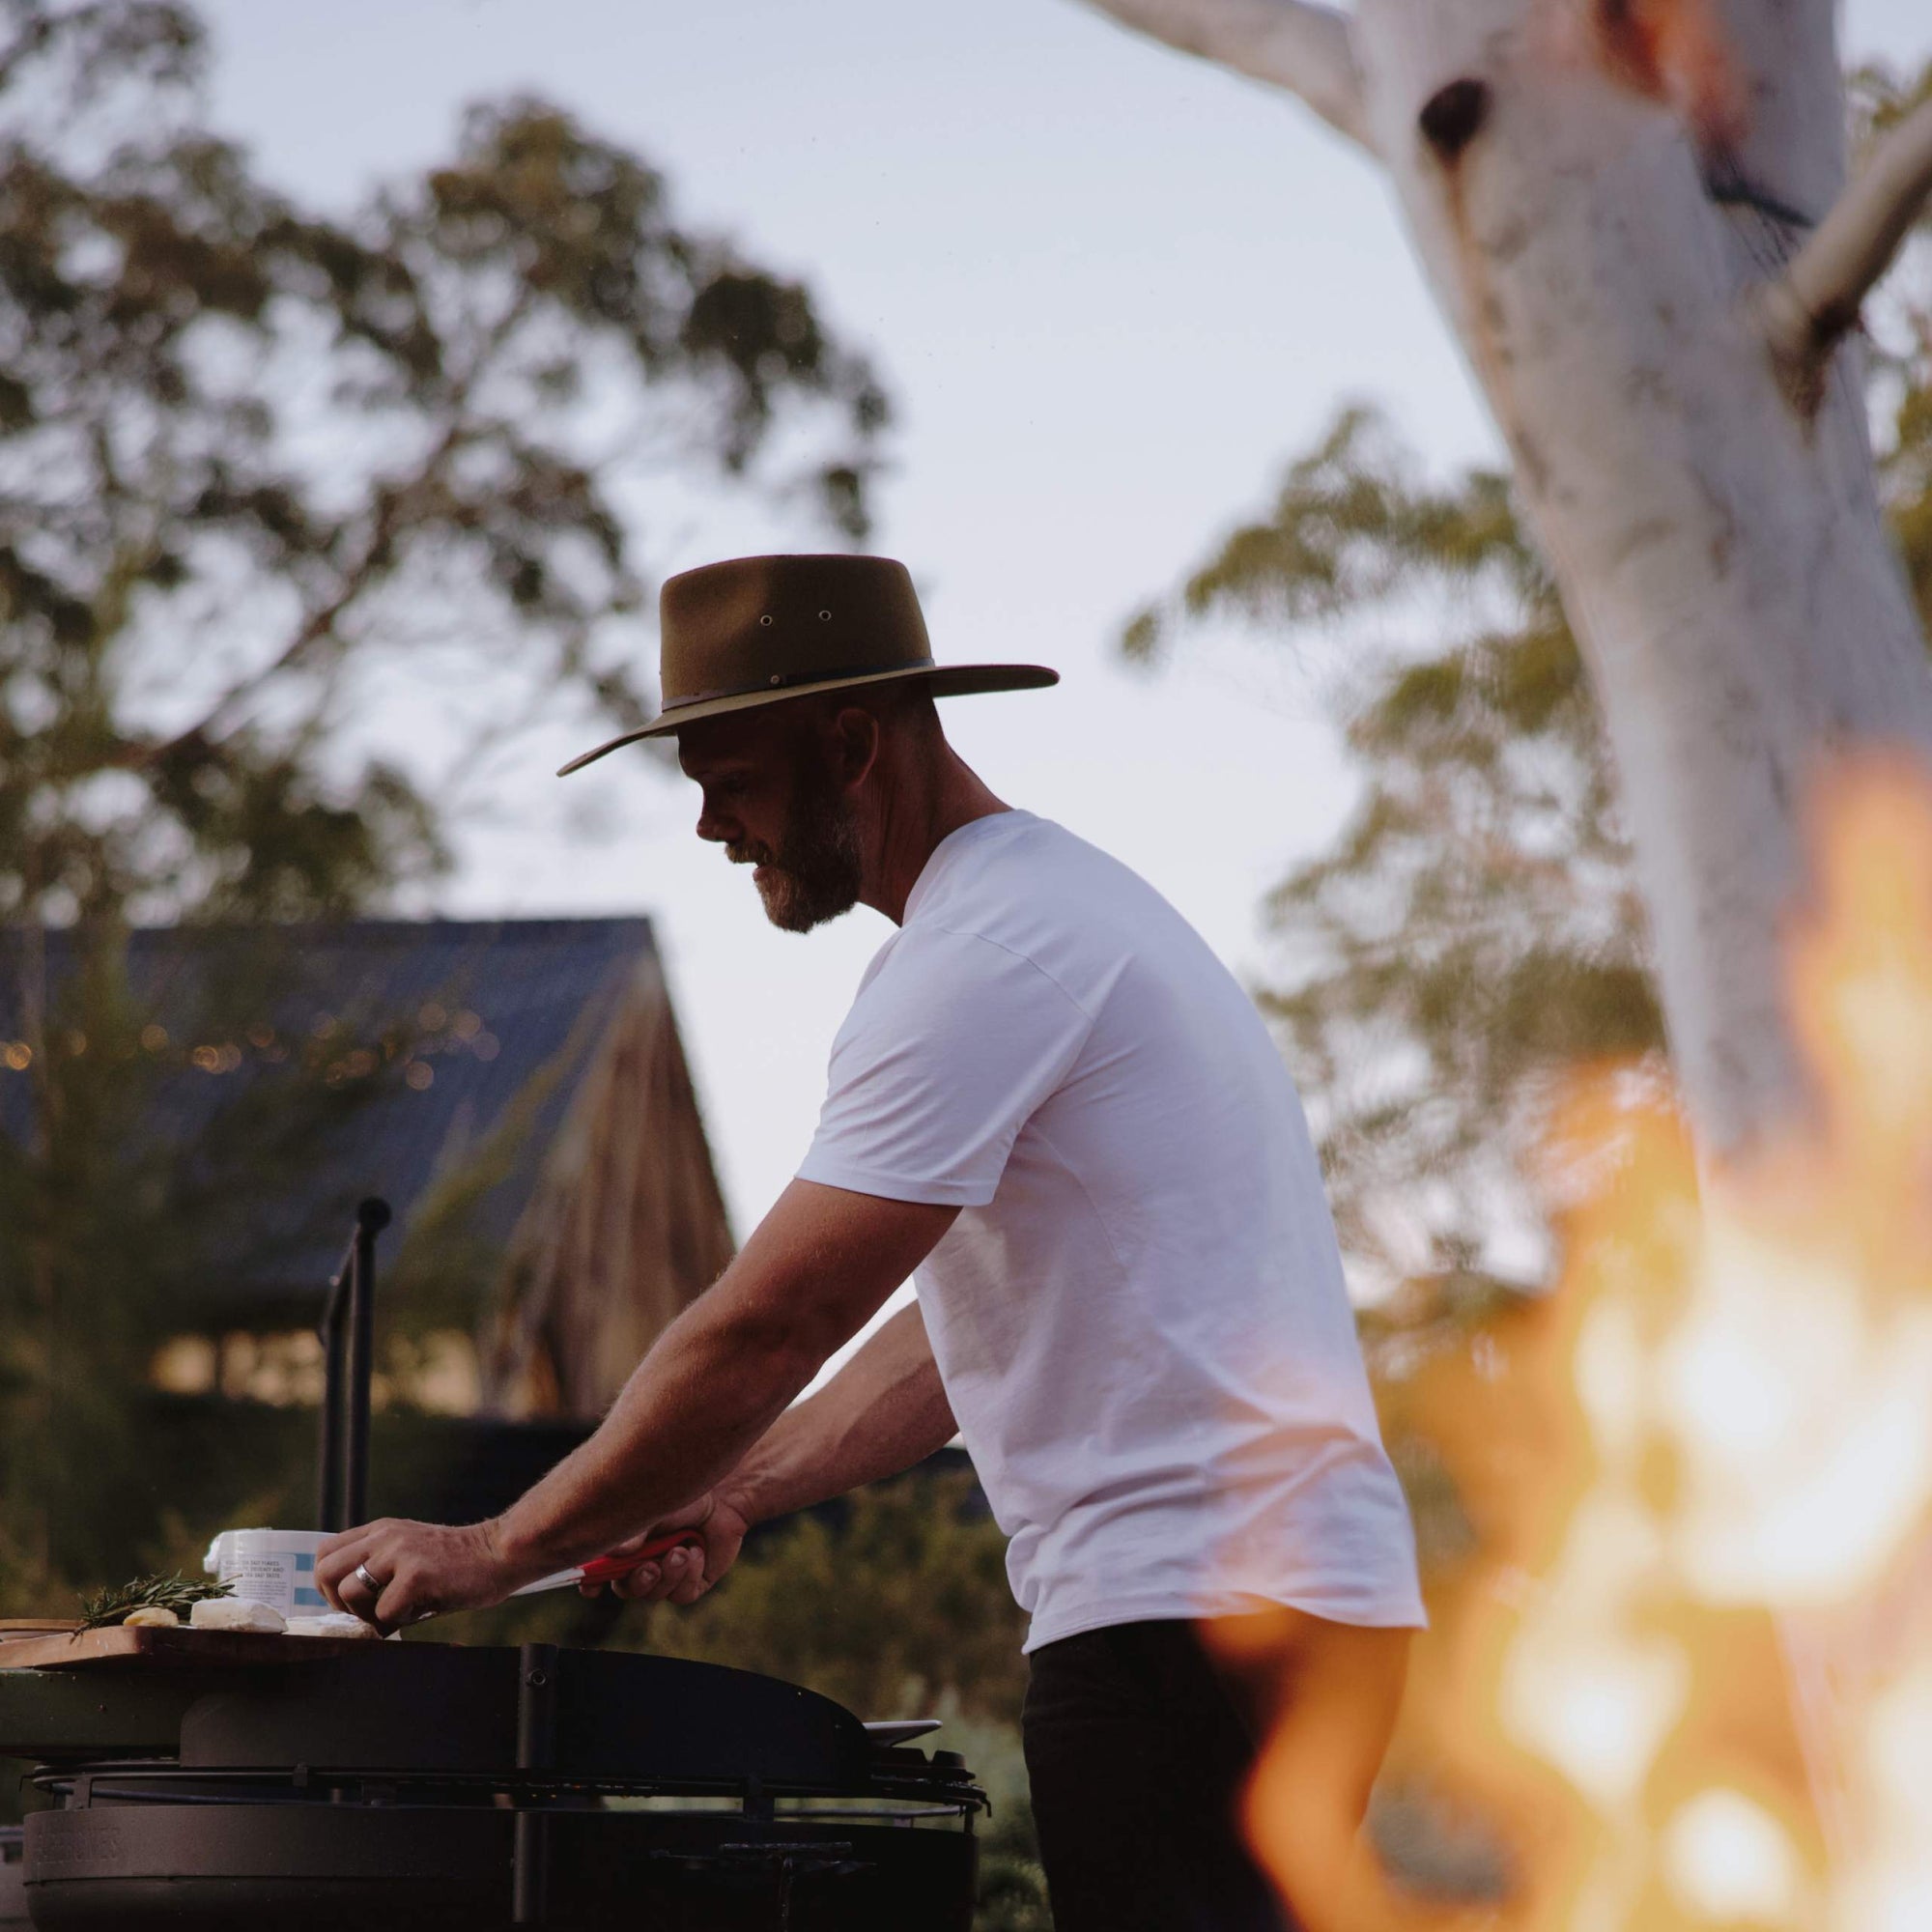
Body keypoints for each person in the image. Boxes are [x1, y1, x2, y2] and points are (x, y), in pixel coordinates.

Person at [319, 554, 1425, 1932]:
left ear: (848, 746)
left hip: (1185, 1621)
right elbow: (963, 1339)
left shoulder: (988, 951)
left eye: (730, 779)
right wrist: (733, 1490)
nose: (714, 827)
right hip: (1283, 1607)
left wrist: (493, 1545)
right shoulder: (1061, 914)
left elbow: (769, 1324)